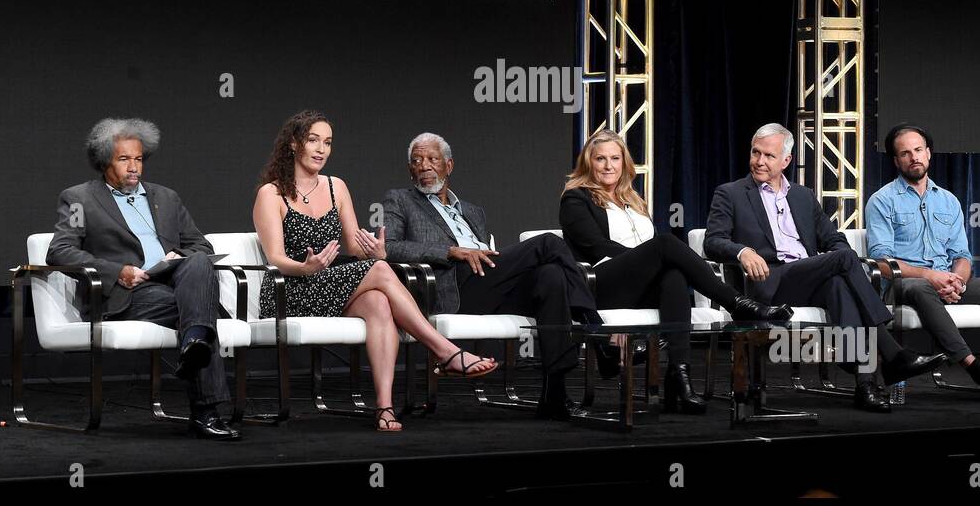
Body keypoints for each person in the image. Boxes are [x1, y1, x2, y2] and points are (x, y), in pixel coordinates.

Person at [254, 111, 498, 433]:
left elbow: (355, 247)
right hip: (290, 287)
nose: (321, 149)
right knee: (381, 272)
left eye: (327, 142)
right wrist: (305, 266)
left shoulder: (335, 187)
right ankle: (444, 350)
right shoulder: (270, 194)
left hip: (330, 282)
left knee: (380, 303)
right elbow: (275, 258)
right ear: (294, 144)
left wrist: (375, 250)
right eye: (313, 140)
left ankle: (384, 408)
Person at [704, 123, 947, 412]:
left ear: (786, 160)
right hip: (769, 283)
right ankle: (892, 354)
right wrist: (742, 251)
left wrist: (841, 264)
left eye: (769, 156)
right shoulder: (731, 193)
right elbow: (713, 242)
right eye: (756, 153)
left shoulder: (803, 197)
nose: (759, 161)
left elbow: (833, 239)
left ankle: (866, 385)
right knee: (845, 261)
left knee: (840, 284)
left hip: (806, 278)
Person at [559, 130, 793, 415]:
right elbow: (595, 247)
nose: (608, 166)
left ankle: (678, 375)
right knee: (666, 245)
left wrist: (654, 260)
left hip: (641, 286)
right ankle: (737, 303)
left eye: (615, 158)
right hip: (602, 286)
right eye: (600, 159)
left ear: (624, 163)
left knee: (674, 276)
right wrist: (651, 257)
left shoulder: (633, 199)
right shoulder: (575, 199)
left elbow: (651, 252)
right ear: (588, 163)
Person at [47, 118, 240, 440]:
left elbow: (200, 244)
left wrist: (175, 258)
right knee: (200, 313)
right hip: (127, 294)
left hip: (174, 282)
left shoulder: (166, 197)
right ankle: (206, 405)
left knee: (196, 261)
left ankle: (195, 341)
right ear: (104, 160)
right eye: (124, 159)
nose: (134, 167)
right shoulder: (79, 198)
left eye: (138, 158)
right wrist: (117, 270)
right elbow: (60, 251)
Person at [382, 132, 595, 420]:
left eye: (432, 159)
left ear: (449, 165)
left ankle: (554, 393)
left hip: (489, 281)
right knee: (548, 243)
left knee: (551, 276)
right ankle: (592, 324)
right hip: (453, 287)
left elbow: (487, 255)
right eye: (417, 161)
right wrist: (451, 251)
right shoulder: (400, 200)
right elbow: (390, 248)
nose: (424, 166)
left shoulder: (473, 211)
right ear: (410, 169)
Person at [866, 124, 980, 392]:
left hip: (946, 280)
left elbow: (962, 254)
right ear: (896, 160)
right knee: (922, 287)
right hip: (903, 285)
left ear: (929, 153)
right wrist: (931, 276)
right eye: (906, 153)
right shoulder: (882, 200)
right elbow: (882, 263)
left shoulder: (948, 201)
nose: (914, 157)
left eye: (919, 150)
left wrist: (957, 280)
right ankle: (975, 368)